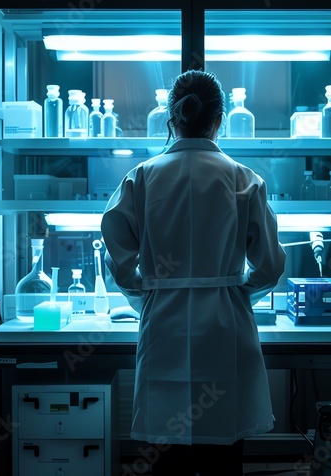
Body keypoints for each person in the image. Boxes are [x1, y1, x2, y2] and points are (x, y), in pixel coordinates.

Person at [101, 70, 286, 475]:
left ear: (172, 118)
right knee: (223, 458)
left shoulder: (143, 177)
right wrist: (234, 293)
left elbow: (119, 265)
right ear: (219, 119)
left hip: (162, 326)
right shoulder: (243, 179)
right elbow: (270, 267)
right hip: (225, 330)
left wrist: (148, 295)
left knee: (166, 460)